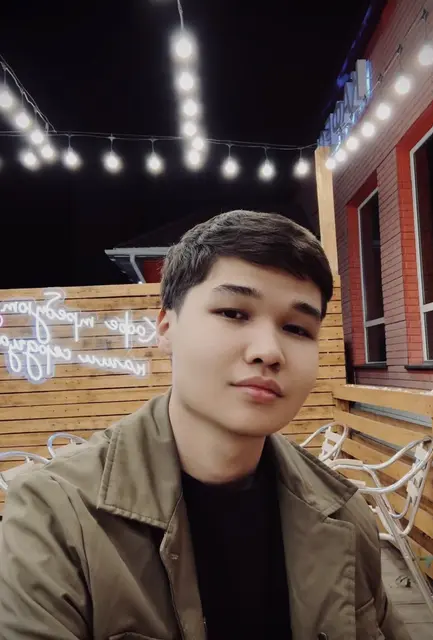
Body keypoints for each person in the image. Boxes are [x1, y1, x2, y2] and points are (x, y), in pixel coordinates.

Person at [0, 210, 410, 640]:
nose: (269, 351)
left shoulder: (344, 514)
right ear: (165, 327)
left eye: (297, 328)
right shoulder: (56, 517)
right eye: (233, 313)